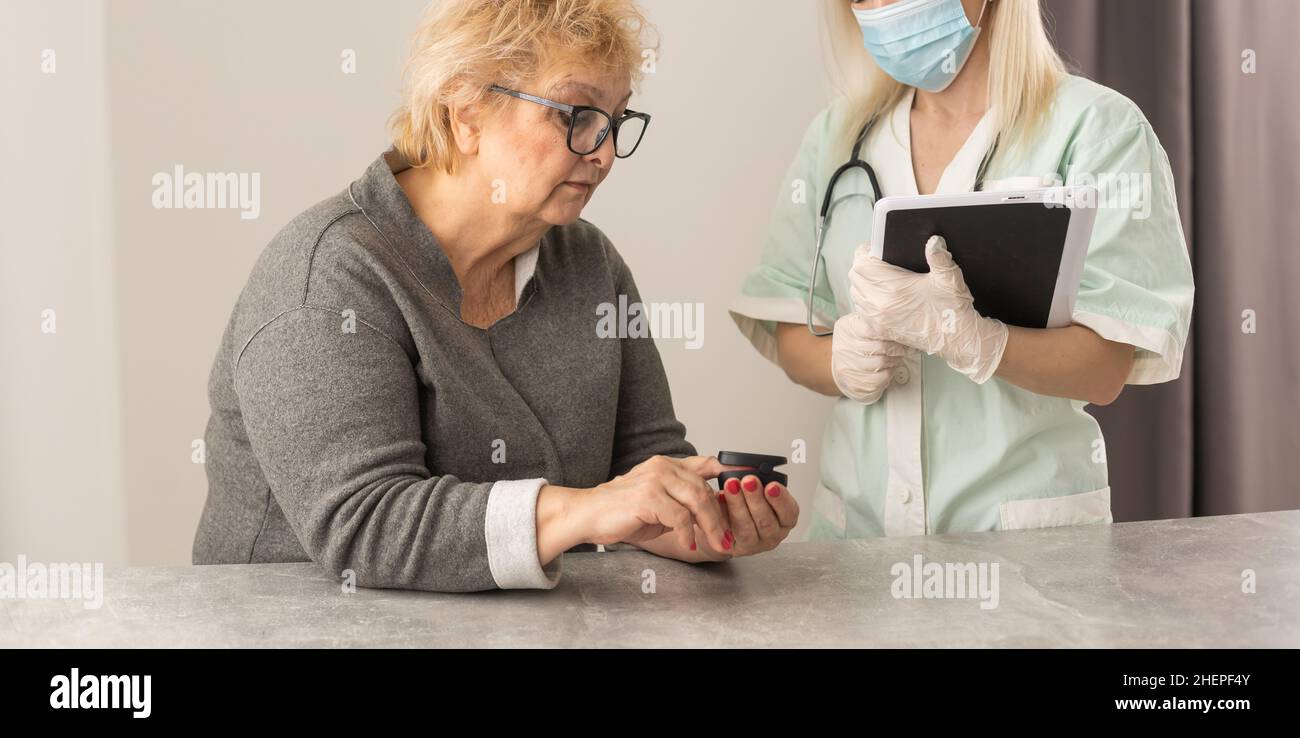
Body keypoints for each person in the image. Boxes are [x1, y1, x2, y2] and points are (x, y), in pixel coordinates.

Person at [194, 0, 798, 592]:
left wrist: (702, 520)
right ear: (465, 112)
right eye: (575, 116)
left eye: (615, 121)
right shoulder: (329, 275)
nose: (606, 154)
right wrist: (583, 511)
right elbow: (366, 526)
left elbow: (639, 471)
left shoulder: (588, 262)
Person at [729, 0, 1193, 538]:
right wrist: (840, 361)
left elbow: (1107, 365)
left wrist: (976, 339)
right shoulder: (836, 137)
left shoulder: (1098, 129)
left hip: (1025, 547)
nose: (878, 7)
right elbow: (791, 324)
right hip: (856, 541)